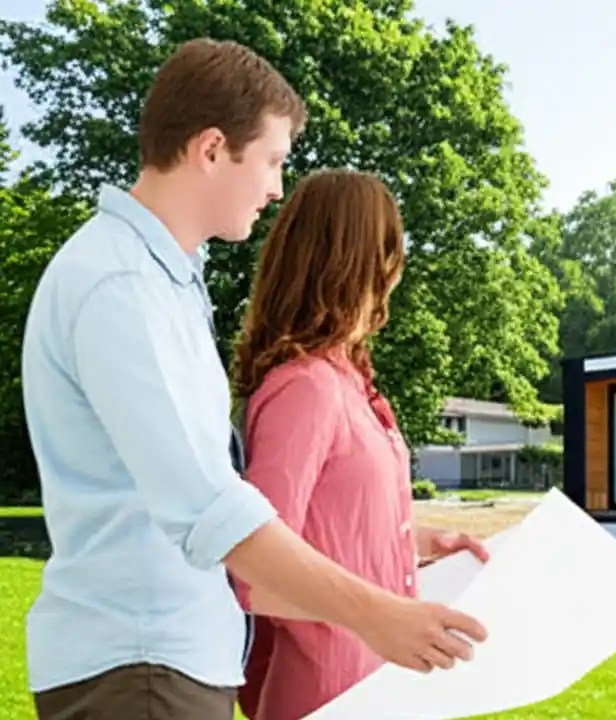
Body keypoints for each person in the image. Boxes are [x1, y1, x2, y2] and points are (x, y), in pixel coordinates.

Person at [20, 38, 484, 720]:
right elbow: (210, 509)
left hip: (168, 662)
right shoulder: (121, 285)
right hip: (143, 664)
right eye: (271, 161)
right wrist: (377, 614)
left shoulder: (161, 282)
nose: (275, 187)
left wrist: (398, 547)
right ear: (211, 149)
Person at [227, 168, 491, 719]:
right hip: (326, 695)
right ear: (365, 261)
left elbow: (335, 529)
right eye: (391, 248)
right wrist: (377, 615)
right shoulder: (303, 389)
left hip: (383, 688)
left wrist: (420, 541)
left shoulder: (347, 380)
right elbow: (254, 571)